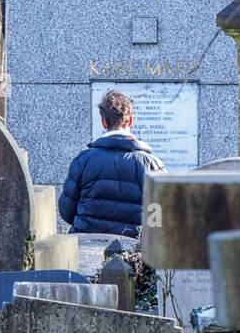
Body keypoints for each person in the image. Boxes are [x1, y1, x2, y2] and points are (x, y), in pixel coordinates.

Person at [58, 90, 164, 237]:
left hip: (84, 242)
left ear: (104, 122)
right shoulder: (151, 164)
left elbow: (66, 210)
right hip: (132, 249)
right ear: (131, 120)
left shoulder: (83, 160)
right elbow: (161, 215)